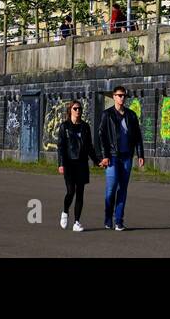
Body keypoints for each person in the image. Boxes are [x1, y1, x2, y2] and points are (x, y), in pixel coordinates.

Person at [97, 86, 144, 231]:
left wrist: (140, 154)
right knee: (111, 189)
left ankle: (119, 221)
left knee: (122, 189)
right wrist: (104, 156)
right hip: (112, 156)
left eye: (124, 95)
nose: (122, 98)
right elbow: (101, 135)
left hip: (126, 157)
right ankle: (107, 217)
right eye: (119, 95)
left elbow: (137, 136)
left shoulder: (131, 115)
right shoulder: (107, 114)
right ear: (114, 97)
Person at [56, 100, 100, 233]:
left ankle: (76, 222)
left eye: (80, 109)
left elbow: (89, 147)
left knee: (80, 193)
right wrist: (61, 164)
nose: (78, 111)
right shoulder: (65, 127)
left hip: (81, 163)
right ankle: (65, 212)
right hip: (69, 163)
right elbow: (61, 147)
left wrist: (97, 161)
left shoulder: (85, 127)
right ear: (70, 111)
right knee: (71, 191)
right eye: (75, 109)